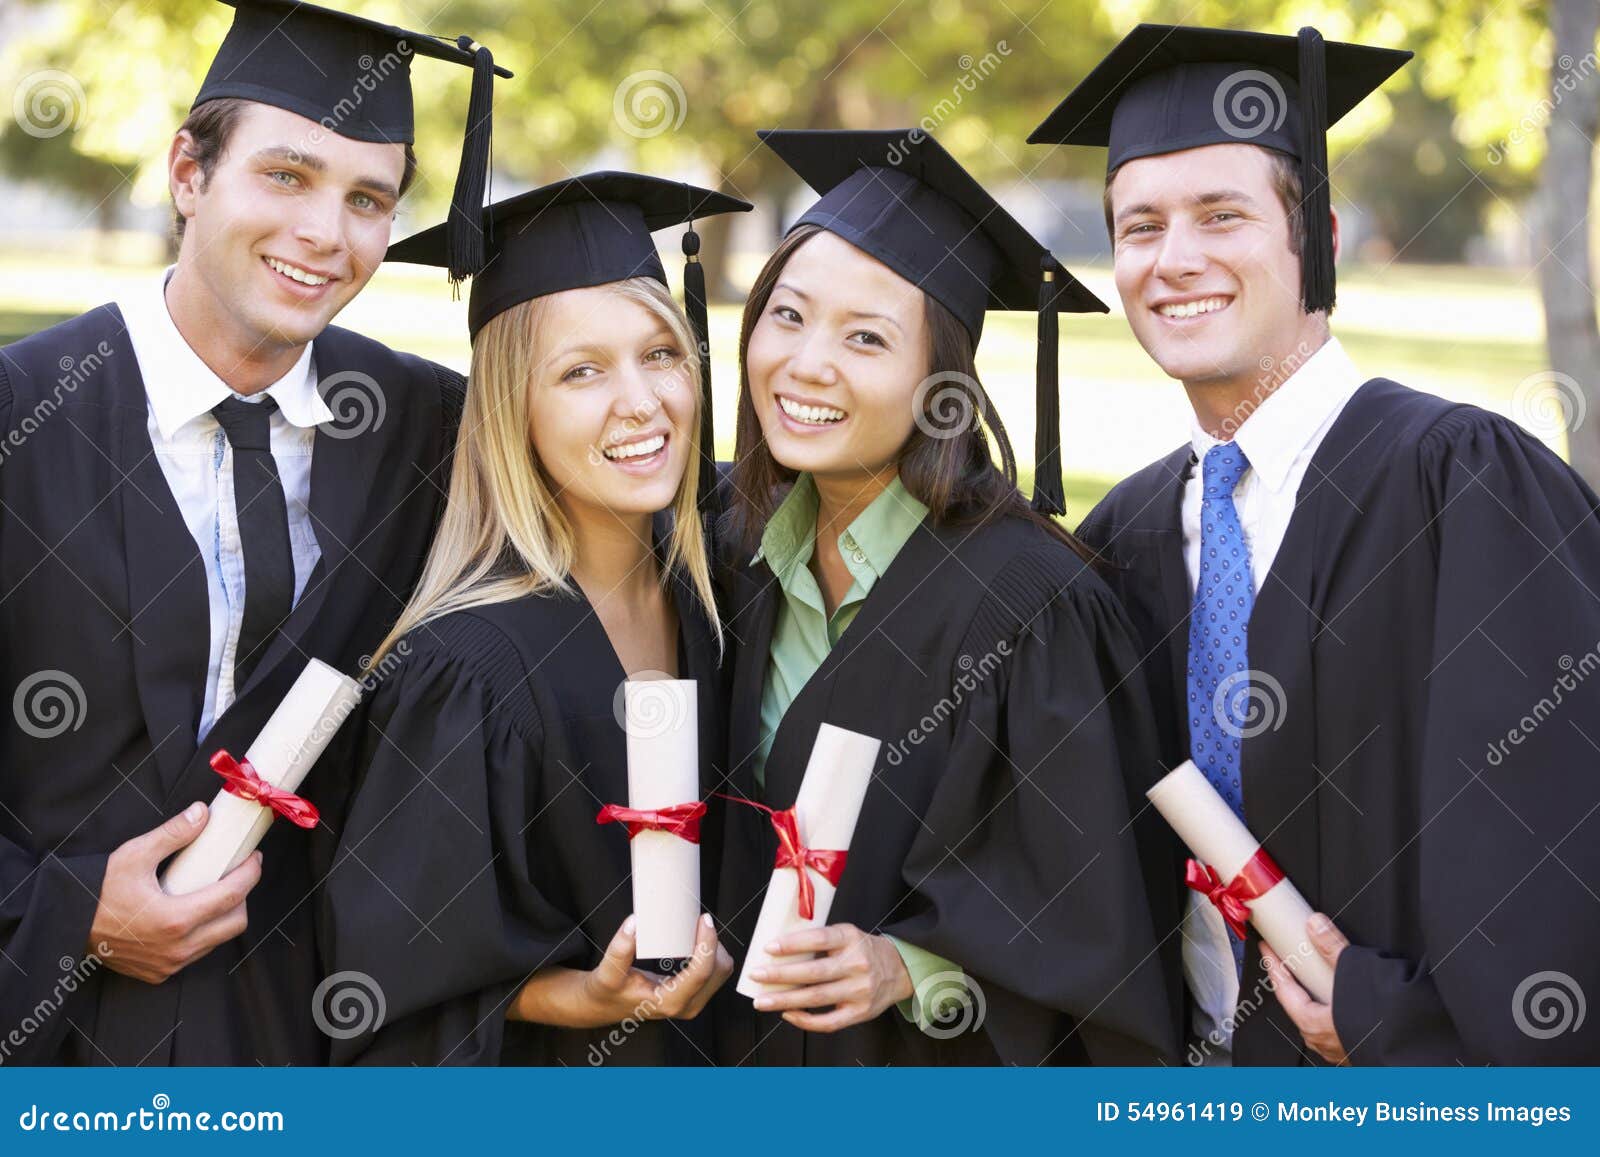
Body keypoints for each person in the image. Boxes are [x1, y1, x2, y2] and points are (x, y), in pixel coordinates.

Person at [1032, 22, 1600, 1064]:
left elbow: (1552, 841)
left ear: (1318, 234)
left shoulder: (1462, 483)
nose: (1175, 259)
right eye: (1139, 225)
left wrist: (1397, 1021)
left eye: (1221, 215)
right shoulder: (1127, 534)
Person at [0, 0, 505, 1064]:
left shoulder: (430, 430)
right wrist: (67, 911)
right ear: (188, 173)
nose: (326, 234)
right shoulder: (22, 415)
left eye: (368, 198)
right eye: (286, 175)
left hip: (307, 1034)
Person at [711, 129, 1179, 1066]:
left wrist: (905, 967)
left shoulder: (1030, 609)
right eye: (788, 315)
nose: (807, 363)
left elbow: (1097, 916)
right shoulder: (729, 546)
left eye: (867, 337)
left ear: (942, 389)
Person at [320, 174, 750, 1065]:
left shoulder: (720, 607)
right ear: (514, 408)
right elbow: (388, 993)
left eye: (661, 353)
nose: (640, 400)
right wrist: (587, 999)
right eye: (581, 370)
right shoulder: (464, 673)